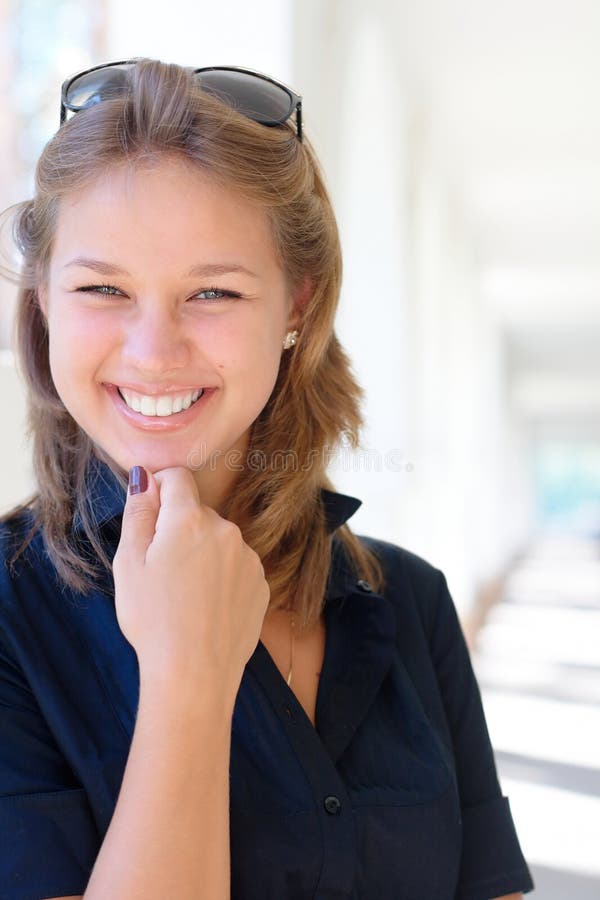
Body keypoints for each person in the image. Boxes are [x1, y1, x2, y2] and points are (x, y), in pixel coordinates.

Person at [0, 58, 534, 900]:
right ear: (42, 301)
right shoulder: (9, 616)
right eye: (103, 287)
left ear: (296, 306)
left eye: (212, 291)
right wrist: (187, 679)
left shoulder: (408, 600)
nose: (152, 351)